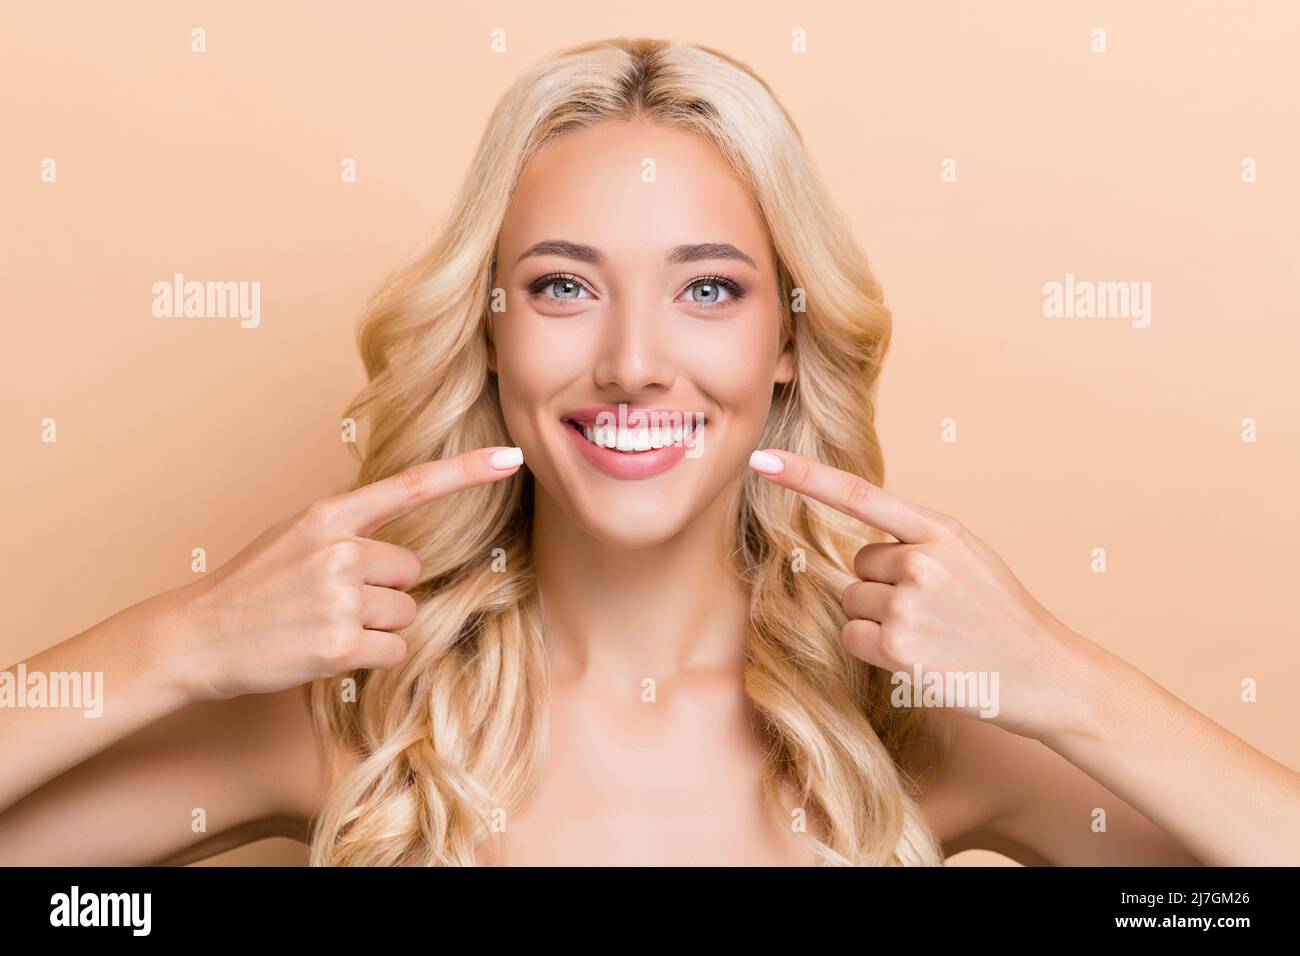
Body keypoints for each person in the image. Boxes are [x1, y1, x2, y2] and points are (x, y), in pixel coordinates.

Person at [2, 37, 1297, 867]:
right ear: (491, 333)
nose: (631, 361)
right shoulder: (355, 724)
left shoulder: (912, 734)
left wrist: (1062, 677)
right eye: (565, 288)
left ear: (789, 340)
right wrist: (179, 642)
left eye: (709, 290)